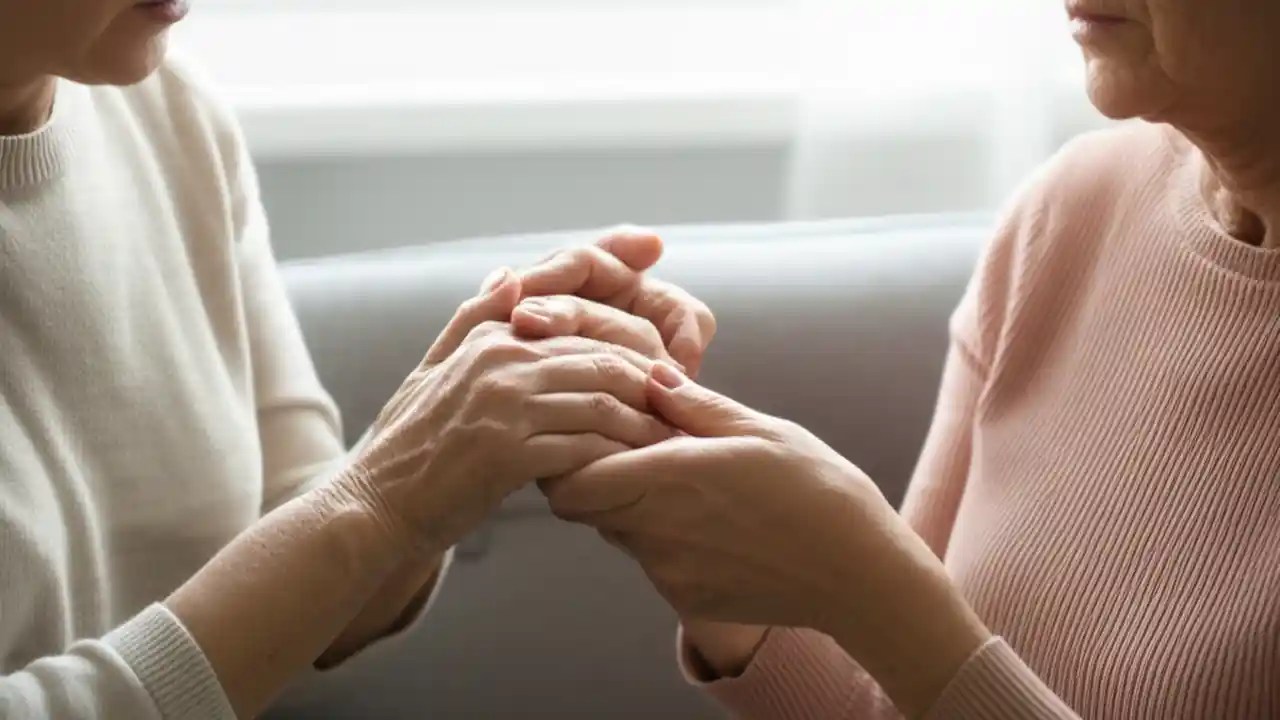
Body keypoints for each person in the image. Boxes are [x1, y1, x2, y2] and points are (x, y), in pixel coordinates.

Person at [542, 0, 1280, 718]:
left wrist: (874, 595)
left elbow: (910, 635)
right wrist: (714, 531)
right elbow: (899, 697)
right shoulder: (1070, 210)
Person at [0, 1, 715, 718]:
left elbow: (309, 591)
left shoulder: (171, 116)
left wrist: (463, 403)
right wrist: (382, 498)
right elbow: (348, 524)